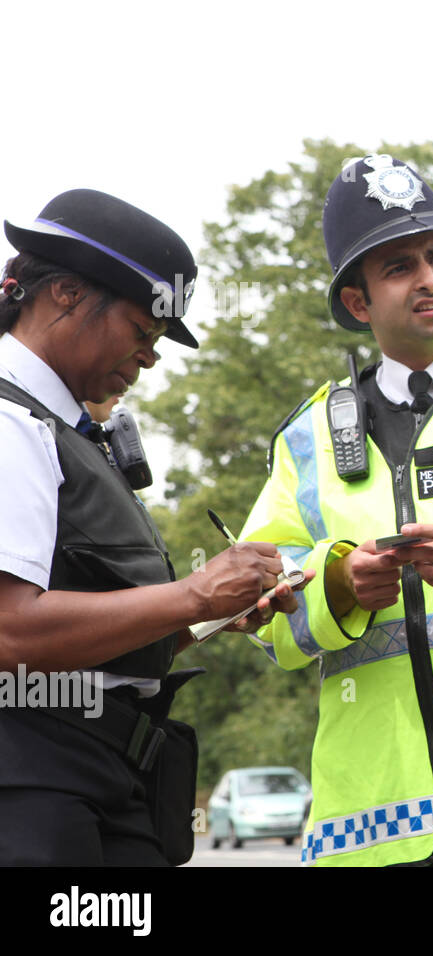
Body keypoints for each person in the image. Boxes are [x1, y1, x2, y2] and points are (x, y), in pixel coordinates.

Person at [239, 155, 433, 867]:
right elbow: (253, 605)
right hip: (373, 830)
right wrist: (336, 587)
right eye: (401, 267)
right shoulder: (308, 438)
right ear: (357, 303)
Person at [0, 188, 305, 866]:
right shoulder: (9, 419)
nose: (150, 358)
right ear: (67, 294)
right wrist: (192, 596)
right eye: (143, 332)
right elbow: (10, 630)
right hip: (33, 775)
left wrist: (205, 617)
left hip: (107, 771)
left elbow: (101, 630)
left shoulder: (72, 431)